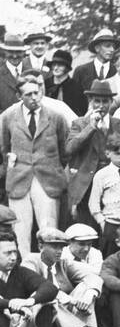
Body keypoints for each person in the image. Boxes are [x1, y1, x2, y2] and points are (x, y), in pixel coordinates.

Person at [0, 78, 68, 253]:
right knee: (20, 231)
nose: (34, 97)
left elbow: (64, 150)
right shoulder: (8, 116)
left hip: (48, 180)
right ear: (19, 96)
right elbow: (5, 148)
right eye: (28, 94)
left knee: (49, 230)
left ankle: (49, 271)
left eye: (36, 92)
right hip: (19, 180)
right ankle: (21, 271)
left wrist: (52, 166)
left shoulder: (56, 116)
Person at [66, 81, 120, 224]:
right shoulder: (79, 123)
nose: (101, 106)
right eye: (97, 101)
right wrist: (91, 127)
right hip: (86, 185)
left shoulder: (119, 124)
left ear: (111, 102)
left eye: (105, 101)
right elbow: (69, 149)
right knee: (86, 226)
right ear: (91, 102)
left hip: (112, 184)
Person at [0, 237, 58, 327]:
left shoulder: (20, 272)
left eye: (15, 252)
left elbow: (50, 288)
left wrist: (29, 301)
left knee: (46, 302)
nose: (13, 257)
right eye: (7, 253)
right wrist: (10, 304)